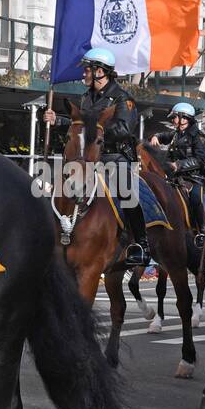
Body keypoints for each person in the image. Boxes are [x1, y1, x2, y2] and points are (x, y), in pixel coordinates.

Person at [43, 48, 149, 267]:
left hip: (113, 156)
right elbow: (81, 125)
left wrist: (98, 130)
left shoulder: (122, 98)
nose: (84, 74)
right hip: (89, 156)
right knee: (57, 185)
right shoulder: (86, 97)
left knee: (127, 192)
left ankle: (140, 244)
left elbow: (123, 128)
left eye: (88, 70)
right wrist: (59, 121)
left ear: (100, 71)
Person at [149, 101, 205, 238]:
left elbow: (200, 160)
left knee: (195, 199)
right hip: (175, 178)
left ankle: (202, 231)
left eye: (175, 117)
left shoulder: (198, 136)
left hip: (194, 178)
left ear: (184, 118)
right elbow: (164, 136)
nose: (173, 120)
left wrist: (178, 165)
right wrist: (155, 136)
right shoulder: (176, 134)